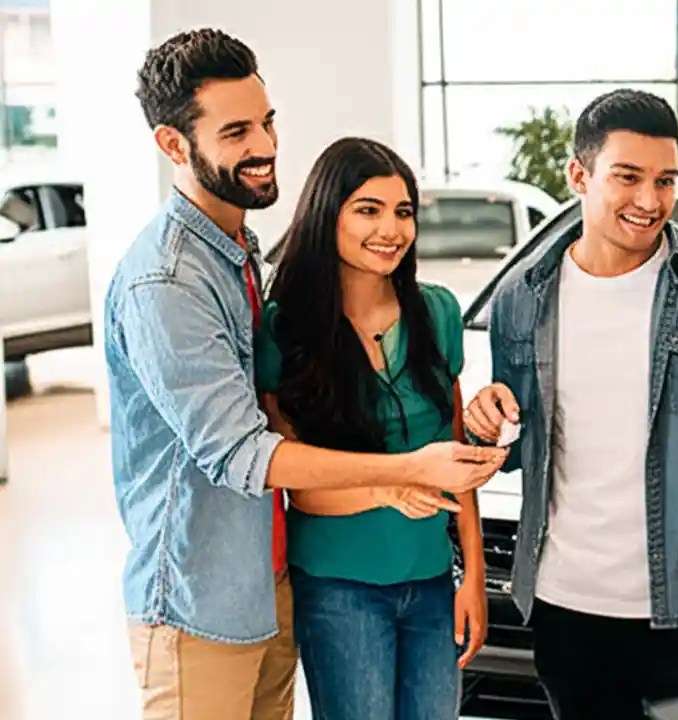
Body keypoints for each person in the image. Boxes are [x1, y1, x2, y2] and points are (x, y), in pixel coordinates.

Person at [106, 29, 504, 720]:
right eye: (236, 131)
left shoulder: (237, 256)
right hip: (198, 604)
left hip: (268, 590)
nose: (263, 145)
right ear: (174, 146)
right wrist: (402, 475)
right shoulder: (167, 280)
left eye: (267, 121)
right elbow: (242, 453)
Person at [463, 89, 678, 719]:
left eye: (665, 180)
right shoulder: (523, 296)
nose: (649, 201)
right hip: (568, 612)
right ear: (578, 175)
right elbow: (516, 451)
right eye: (628, 178)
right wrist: (485, 421)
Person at [254, 136, 488, 720]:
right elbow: (297, 483)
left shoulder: (437, 313)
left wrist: (473, 577)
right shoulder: (287, 329)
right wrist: (394, 487)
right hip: (339, 587)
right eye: (368, 210)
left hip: (433, 582)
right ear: (326, 214)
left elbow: (456, 459)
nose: (391, 229)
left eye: (403, 211)